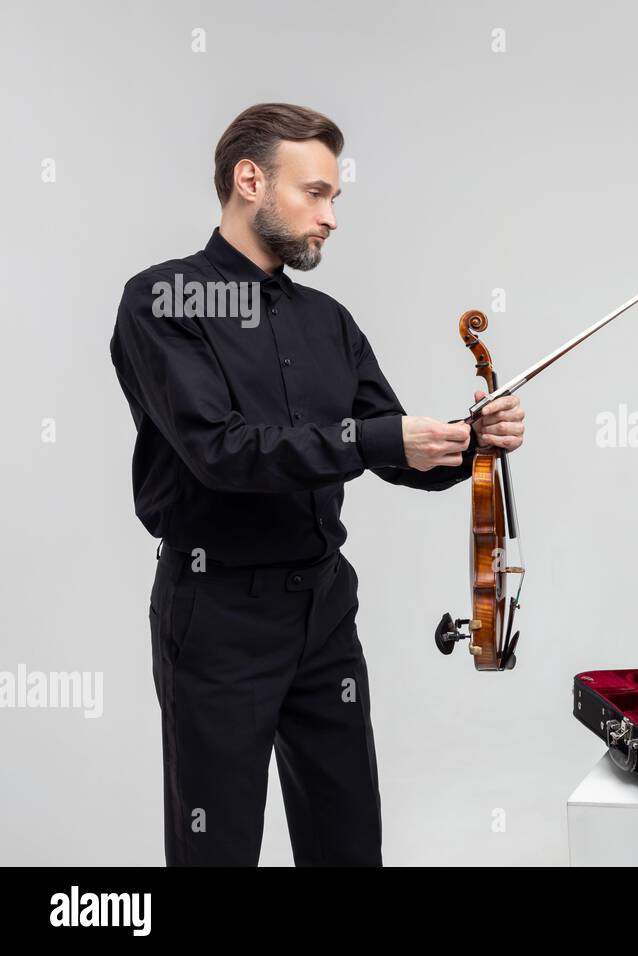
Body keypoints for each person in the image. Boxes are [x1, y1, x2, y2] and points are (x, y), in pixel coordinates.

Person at [108, 103, 525, 865]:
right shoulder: (163, 300)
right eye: (317, 193)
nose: (332, 217)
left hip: (325, 611)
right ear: (249, 181)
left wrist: (468, 445)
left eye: (335, 197)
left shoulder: (329, 321)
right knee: (217, 848)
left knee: (347, 844)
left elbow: (392, 450)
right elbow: (222, 452)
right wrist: (376, 437)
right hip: (218, 612)